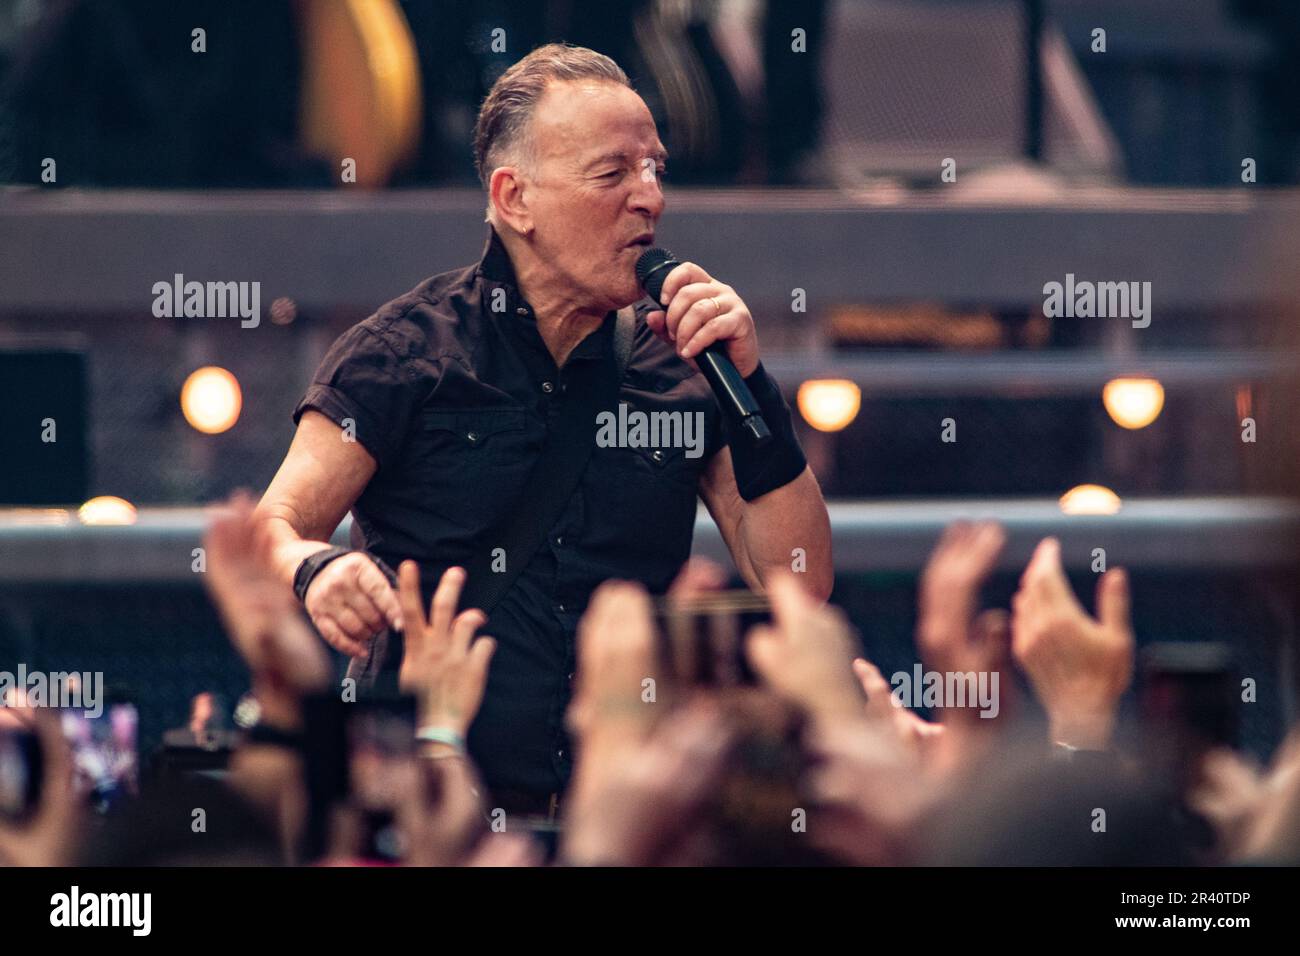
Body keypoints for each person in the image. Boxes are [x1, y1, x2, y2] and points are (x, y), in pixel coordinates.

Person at [256, 43, 832, 814]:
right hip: (442, 815)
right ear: (514, 197)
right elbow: (273, 526)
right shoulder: (402, 355)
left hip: (627, 817)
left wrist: (751, 386)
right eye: (614, 173)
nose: (650, 197)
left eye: (656, 168)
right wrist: (314, 570)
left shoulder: (686, 367)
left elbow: (799, 585)